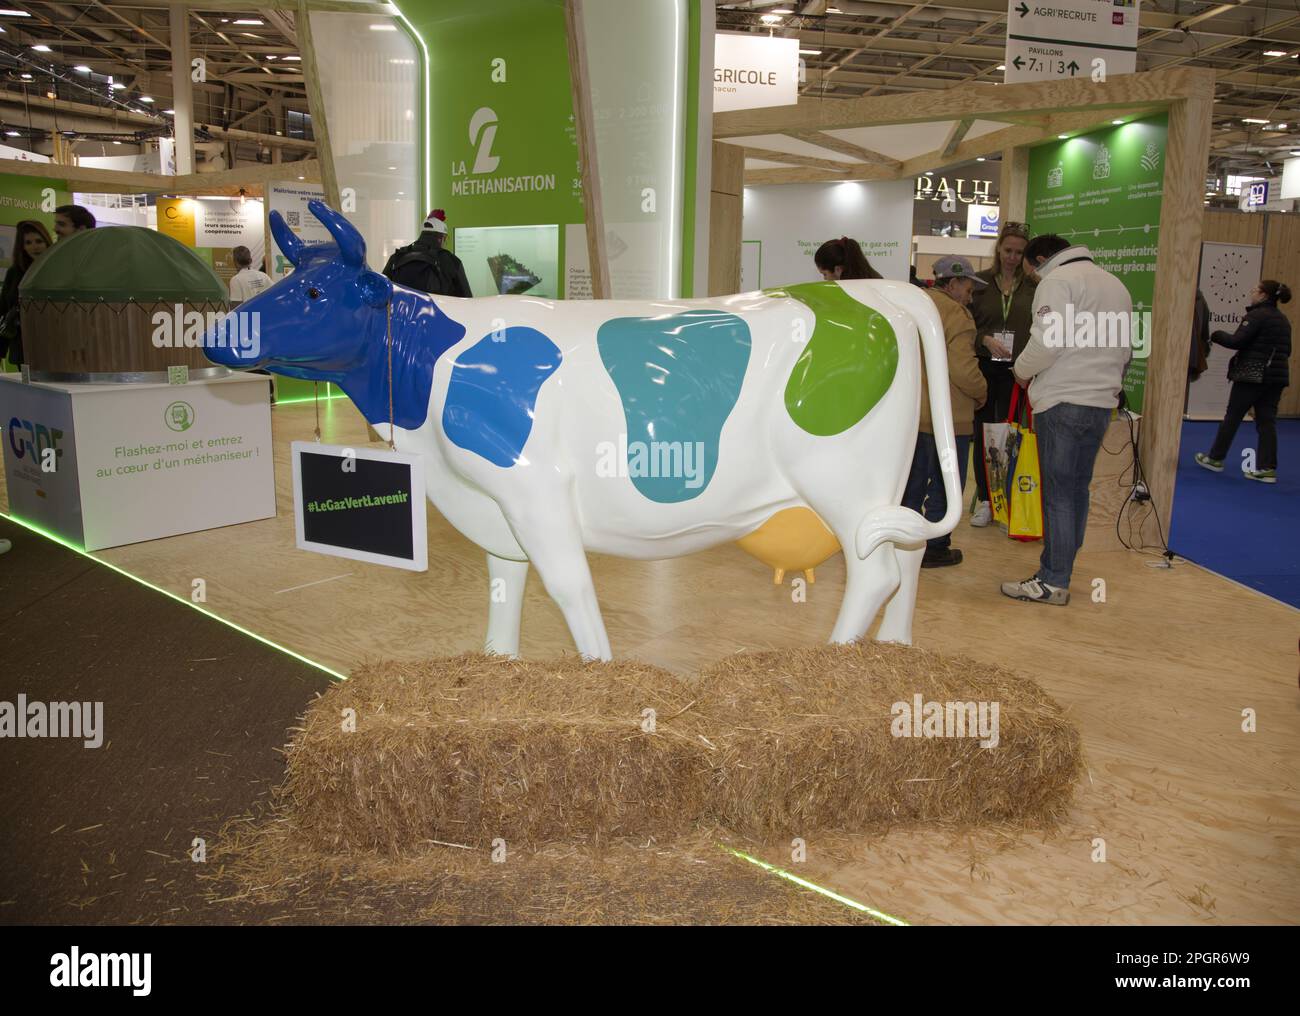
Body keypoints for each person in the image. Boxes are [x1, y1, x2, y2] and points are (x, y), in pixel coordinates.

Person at [1001, 233, 1132, 607]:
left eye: (1032, 272)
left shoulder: (1059, 281)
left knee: (1058, 493)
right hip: (1099, 401)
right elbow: (1126, 349)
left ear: (1041, 259)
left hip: (1062, 399)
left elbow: (1046, 342)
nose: (1035, 279)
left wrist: (1021, 371)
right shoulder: (1115, 284)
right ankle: (1061, 571)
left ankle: (1052, 579)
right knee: (1076, 490)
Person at [901, 255, 988, 568]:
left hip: (912, 415)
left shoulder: (912, 306)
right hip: (949, 417)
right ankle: (935, 547)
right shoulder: (958, 316)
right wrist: (982, 392)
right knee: (944, 484)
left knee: (911, 483)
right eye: (968, 287)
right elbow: (962, 369)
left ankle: (904, 543)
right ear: (953, 283)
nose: (970, 295)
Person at [969, 221, 1036, 527]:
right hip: (984, 367)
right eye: (1008, 250)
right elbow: (964, 325)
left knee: (1011, 435)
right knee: (984, 433)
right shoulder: (979, 283)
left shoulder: (1035, 287)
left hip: (1018, 371)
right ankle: (985, 499)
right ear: (998, 249)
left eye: (1019, 252)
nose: (1012, 257)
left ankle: (1007, 498)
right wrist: (983, 338)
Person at [1195, 280, 1292, 483]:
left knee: (1233, 416)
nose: (1252, 291)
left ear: (1264, 295)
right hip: (1276, 378)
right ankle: (1267, 468)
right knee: (1267, 422)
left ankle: (1215, 458)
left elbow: (1236, 341)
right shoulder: (1283, 320)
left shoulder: (1256, 316)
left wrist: (1217, 335)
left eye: (1256, 289)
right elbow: (1288, 351)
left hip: (1252, 376)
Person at [382, 209, 472, 297]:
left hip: (401, 311)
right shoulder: (451, 261)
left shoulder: (397, 257)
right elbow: (467, 299)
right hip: (436, 311)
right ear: (441, 238)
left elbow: (382, 291)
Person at [0, 219, 53, 369]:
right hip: (22, 349)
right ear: (21, 247)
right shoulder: (15, 272)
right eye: (28, 243)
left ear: (46, 242)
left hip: (52, 347)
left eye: (38, 241)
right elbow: (4, 310)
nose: (34, 247)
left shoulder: (56, 270)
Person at [814, 237, 882, 281]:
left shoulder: (849, 291)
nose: (825, 279)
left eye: (825, 274)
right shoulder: (876, 279)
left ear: (838, 270)